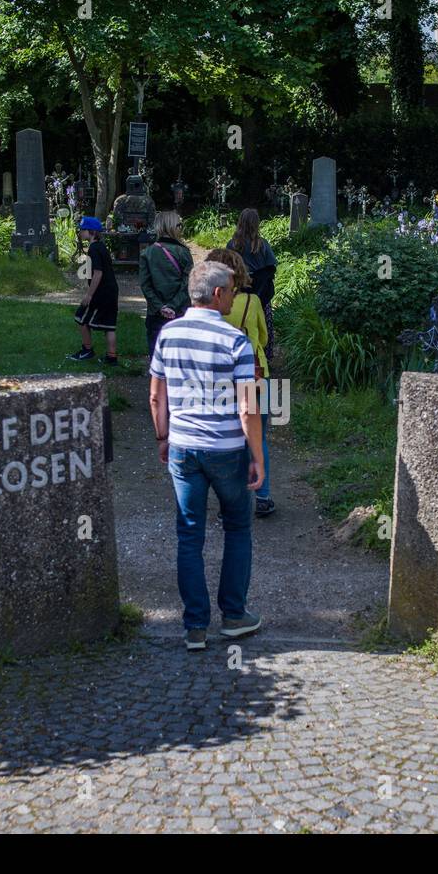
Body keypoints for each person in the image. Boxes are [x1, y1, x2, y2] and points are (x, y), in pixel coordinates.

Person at [150, 261, 265, 651]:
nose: (234, 296)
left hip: (183, 447)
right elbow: (247, 408)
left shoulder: (168, 334)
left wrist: (163, 437)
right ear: (217, 294)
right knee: (237, 528)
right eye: (232, 290)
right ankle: (234, 616)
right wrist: (257, 457)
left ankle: (195, 626)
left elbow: (156, 396)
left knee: (189, 535)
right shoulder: (236, 341)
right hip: (227, 450)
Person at [206, 247, 275, 518]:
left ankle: (231, 499)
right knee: (260, 436)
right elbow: (265, 338)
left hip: (223, 377)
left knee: (229, 440)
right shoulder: (253, 302)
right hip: (259, 375)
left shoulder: (212, 304)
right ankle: (264, 495)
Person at [139, 210, 192, 359]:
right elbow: (188, 284)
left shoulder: (147, 253)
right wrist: (173, 306)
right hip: (180, 312)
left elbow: (145, 285)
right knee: (179, 358)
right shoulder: (184, 253)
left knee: (157, 359)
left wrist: (161, 307)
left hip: (155, 313)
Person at [69, 216, 118, 365]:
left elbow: (98, 273)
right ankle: (111, 357)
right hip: (111, 291)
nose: (80, 232)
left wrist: (89, 295)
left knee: (80, 318)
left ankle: (87, 350)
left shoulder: (94, 249)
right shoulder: (101, 247)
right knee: (109, 325)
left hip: (101, 293)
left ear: (91, 232)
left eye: (82, 230)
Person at [227, 207, 277, 353]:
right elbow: (271, 268)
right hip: (261, 293)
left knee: (239, 320)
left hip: (239, 292)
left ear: (240, 223)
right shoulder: (263, 244)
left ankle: (238, 351)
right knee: (264, 324)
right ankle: (264, 354)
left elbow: (227, 268)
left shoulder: (232, 245)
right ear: (257, 224)